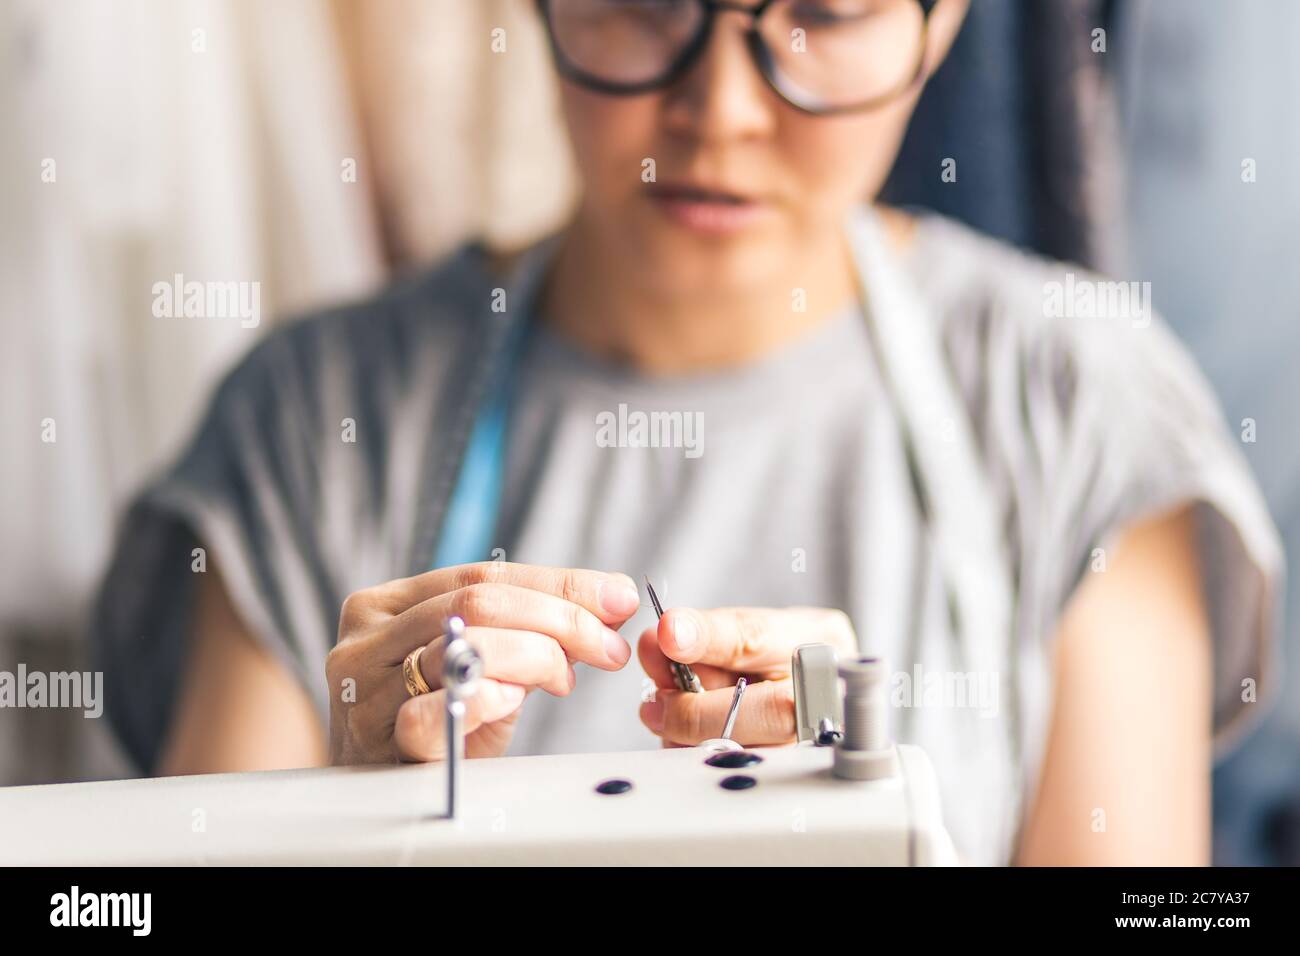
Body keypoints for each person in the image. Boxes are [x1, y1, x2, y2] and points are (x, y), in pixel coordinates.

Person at [92, 0, 1282, 866]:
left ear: (938, 24)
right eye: (647, 5)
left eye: (820, 12)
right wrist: (346, 823)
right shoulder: (312, 419)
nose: (717, 110)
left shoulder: (1079, 408)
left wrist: (865, 832)